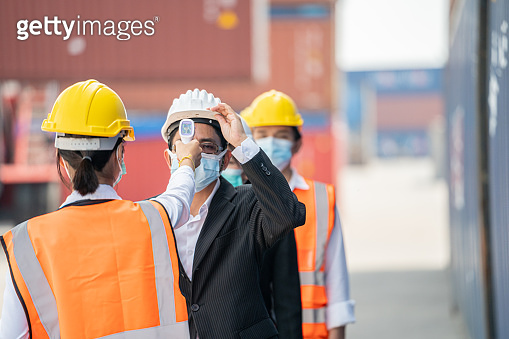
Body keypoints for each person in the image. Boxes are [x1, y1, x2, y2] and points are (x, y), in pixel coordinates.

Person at [0, 80, 202, 339]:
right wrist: (186, 159)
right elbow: (179, 197)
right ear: (119, 155)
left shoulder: (27, 244)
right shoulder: (154, 218)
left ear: (62, 160)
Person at [160, 88, 306, 339]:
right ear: (169, 157)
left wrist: (242, 144)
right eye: (185, 147)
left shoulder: (248, 205)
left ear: (225, 160)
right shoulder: (155, 215)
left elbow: (289, 214)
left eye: (206, 146)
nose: (193, 155)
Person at [242, 90, 356, 339]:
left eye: (281, 135)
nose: (271, 142)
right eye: (262, 134)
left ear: (297, 143)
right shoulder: (238, 198)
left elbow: (337, 284)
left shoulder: (322, 198)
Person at [222, 118, 303, 338]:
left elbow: (287, 303)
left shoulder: (270, 217)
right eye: (226, 160)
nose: (232, 167)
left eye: (237, 160)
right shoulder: (184, 213)